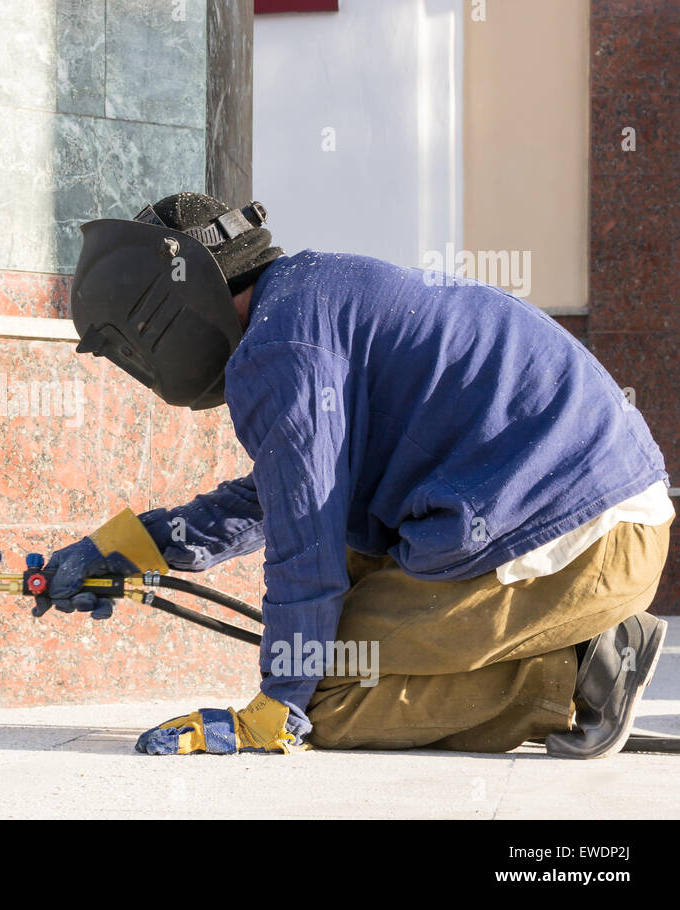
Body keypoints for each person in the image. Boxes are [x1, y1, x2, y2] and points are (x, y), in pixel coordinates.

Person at [40, 191, 673, 758]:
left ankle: (578, 667)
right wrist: (128, 549)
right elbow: (284, 501)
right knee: (323, 629)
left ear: (162, 312)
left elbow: (305, 542)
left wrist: (279, 707)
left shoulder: (281, 349)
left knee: (331, 691)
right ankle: (580, 648)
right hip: (601, 515)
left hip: (583, 540)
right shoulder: (306, 301)